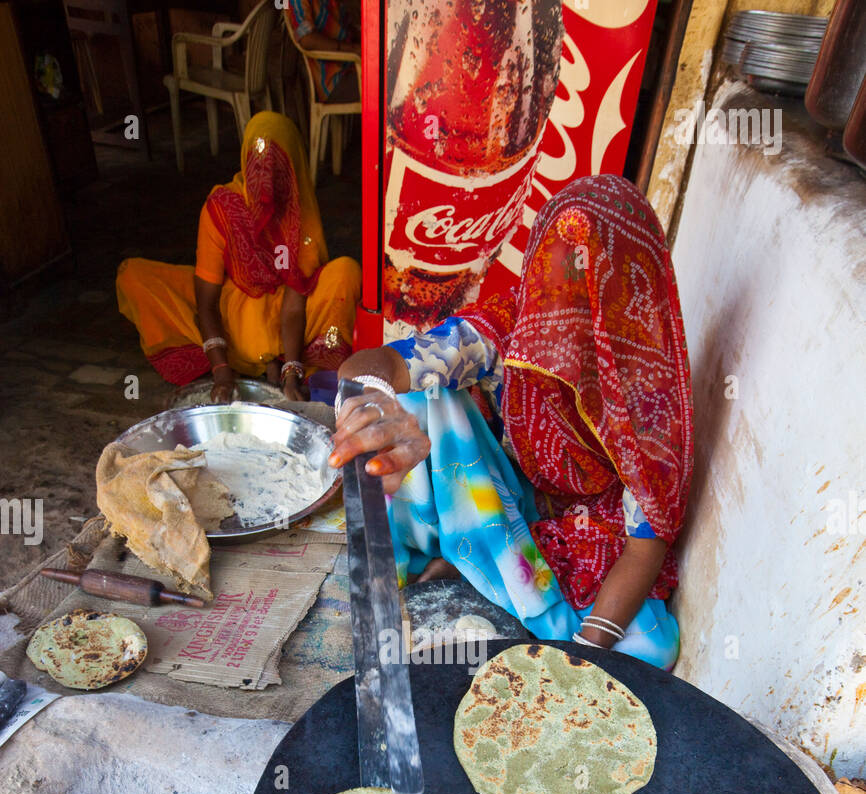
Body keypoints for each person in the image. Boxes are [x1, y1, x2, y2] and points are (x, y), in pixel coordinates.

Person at [328, 175, 693, 670]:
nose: (562, 316)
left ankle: (470, 564)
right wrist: (373, 403)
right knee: (419, 402)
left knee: (649, 648)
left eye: (584, 297)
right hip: (505, 502)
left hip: (592, 535)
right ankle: (456, 558)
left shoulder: (650, 393)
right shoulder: (510, 325)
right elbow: (380, 364)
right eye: (553, 285)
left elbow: (644, 549)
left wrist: (579, 659)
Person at [116, 112, 361, 402]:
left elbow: (295, 306)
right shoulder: (221, 208)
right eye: (259, 172)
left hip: (285, 322)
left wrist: (293, 375)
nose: (267, 187)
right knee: (134, 276)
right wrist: (221, 372)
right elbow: (205, 303)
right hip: (232, 317)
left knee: (346, 272)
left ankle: (279, 361)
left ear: (293, 167)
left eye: (277, 174)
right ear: (246, 162)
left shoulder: (300, 212)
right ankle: (260, 360)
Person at [284, 1, 361, 105]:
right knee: (387, 84)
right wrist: (352, 49)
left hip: (355, 67)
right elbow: (306, 39)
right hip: (335, 81)